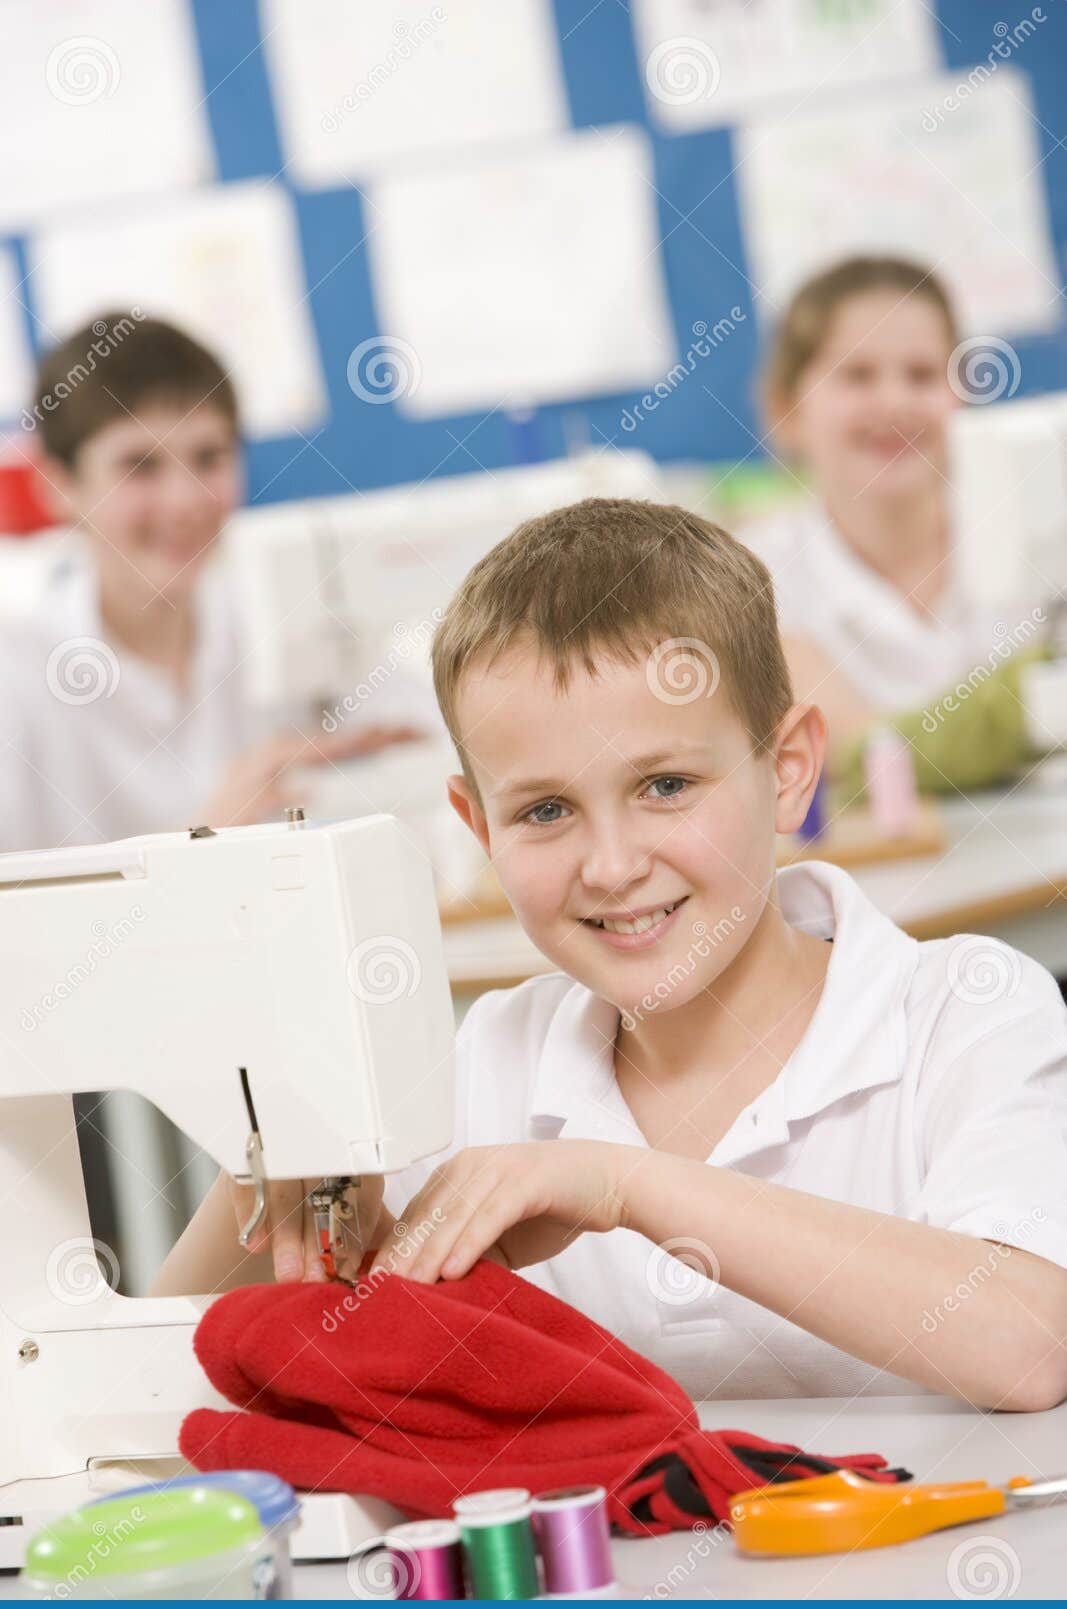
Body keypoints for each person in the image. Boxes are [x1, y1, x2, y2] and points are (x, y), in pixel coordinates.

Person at [153, 499, 1067, 1408]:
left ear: (788, 771)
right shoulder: (483, 1064)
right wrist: (278, 1153)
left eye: (665, 786)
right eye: (545, 811)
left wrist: (628, 1187)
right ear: (478, 827)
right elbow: (158, 1376)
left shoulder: (964, 1012)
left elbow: (1032, 1345)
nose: (613, 865)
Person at [3, 313, 428, 851]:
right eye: (139, 466)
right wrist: (203, 842)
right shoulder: (17, 677)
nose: (185, 500)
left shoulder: (279, 612)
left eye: (209, 458)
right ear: (58, 484)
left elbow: (429, 738)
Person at [746, 256, 1041, 781]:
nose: (894, 401)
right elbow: (861, 754)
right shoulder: (753, 581)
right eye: (857, 375)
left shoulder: (1039, 530)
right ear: (787, 410)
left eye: (922, 375)